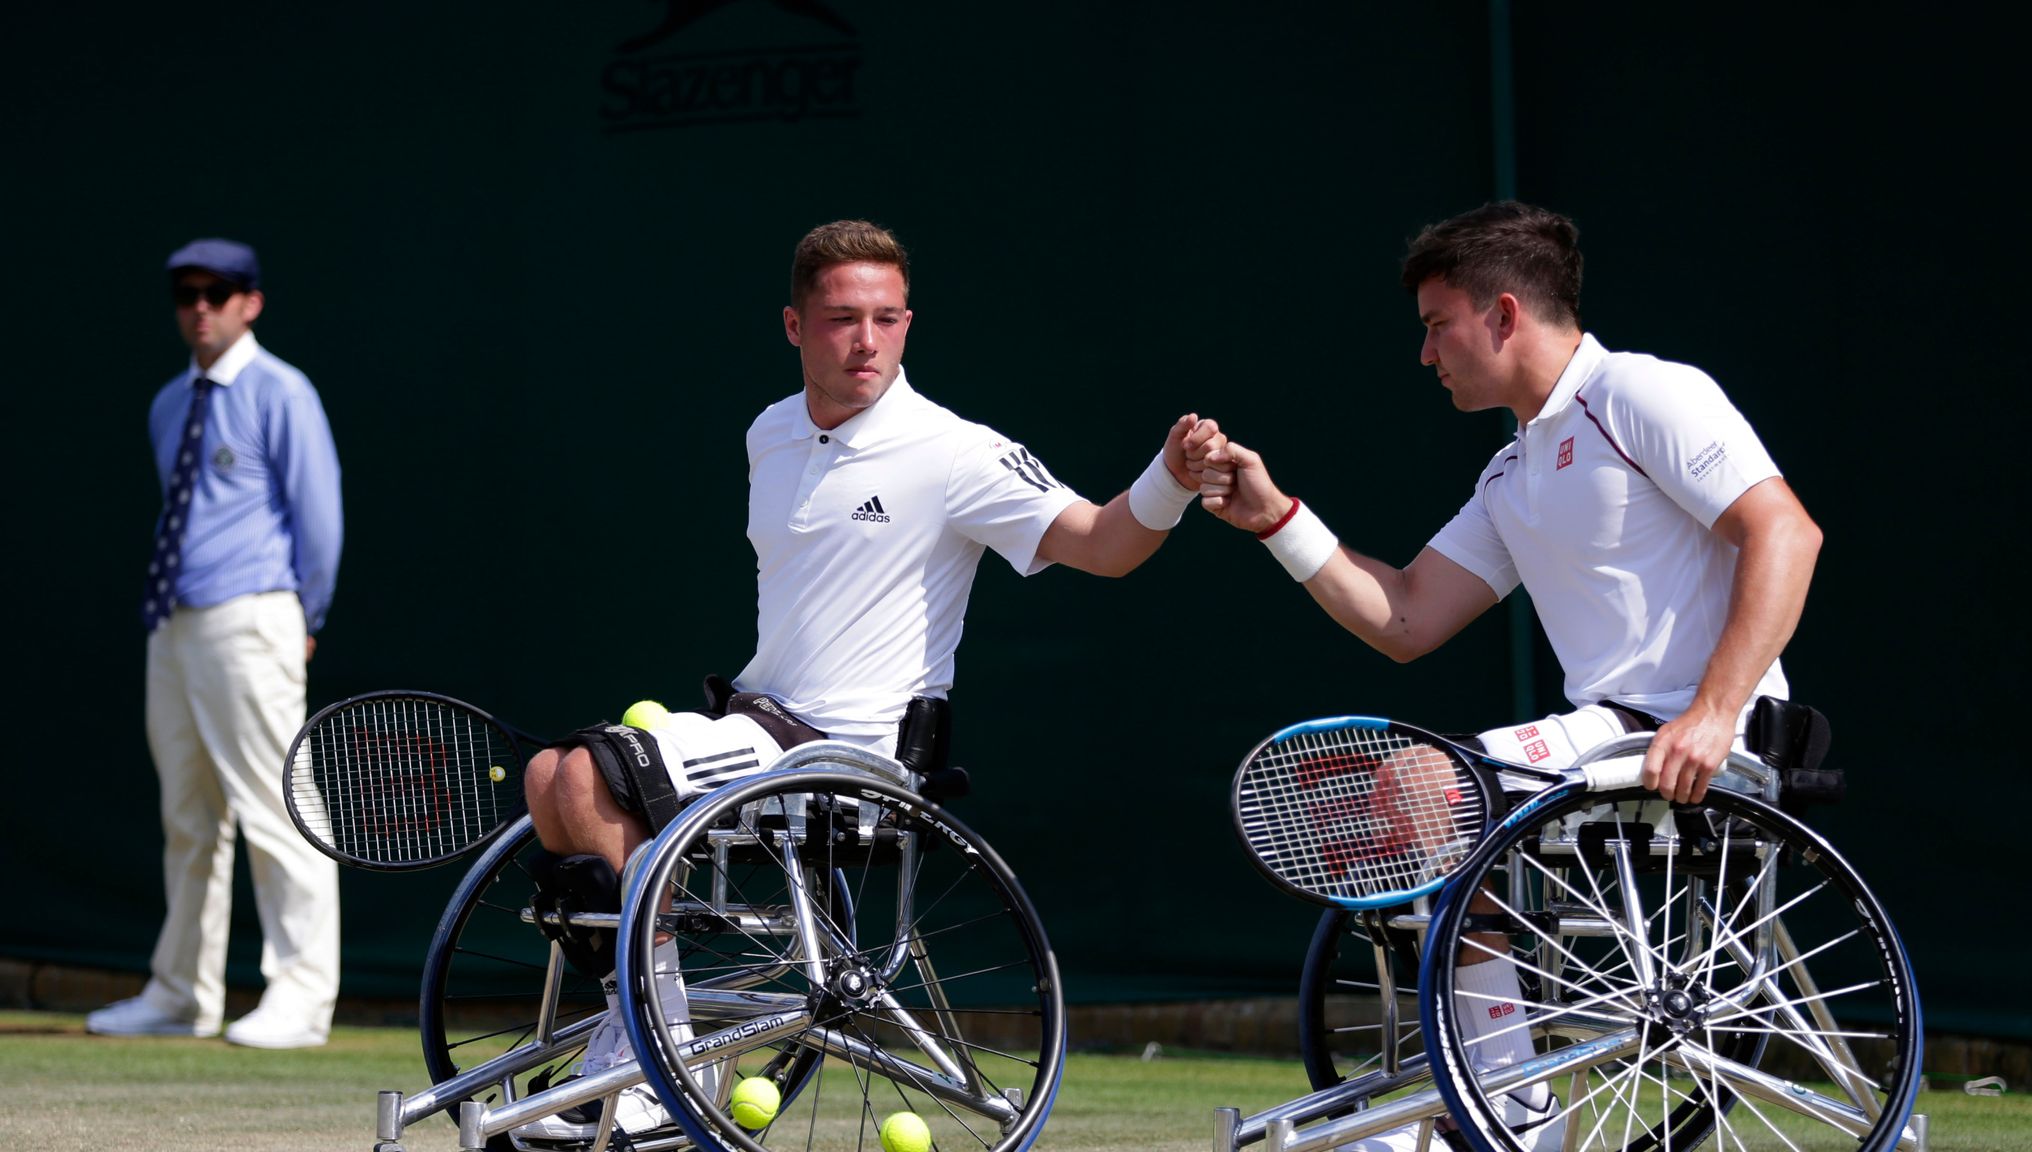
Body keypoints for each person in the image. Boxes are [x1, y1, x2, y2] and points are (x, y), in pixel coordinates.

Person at [513, 219, 1227, 1140]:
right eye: (843, 318)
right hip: (758, 724)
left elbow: (1104, 543)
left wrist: (1168, 480)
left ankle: (653, 1066)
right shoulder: (768, 433)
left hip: (853, 754)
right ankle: (654, 1032)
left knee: (581, 773)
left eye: (887, 319)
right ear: (793, 327)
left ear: (908, 323)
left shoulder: (954, 450)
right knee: (549, 779)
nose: (866, 341)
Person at [1198, 201, 1822, 1150]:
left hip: (1701, 736)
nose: (1425, 354)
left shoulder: (1645, 395)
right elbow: (1407, 615)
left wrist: (1712, 710)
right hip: (1616, 736)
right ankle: (1499, 1103)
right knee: (1417, 805)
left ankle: (1507, 1119)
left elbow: (1785, 530)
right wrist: (1278, 518)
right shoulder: (1515, 470)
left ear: (1502, 315)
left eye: (1435, 326)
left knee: (1421, 783)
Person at [87, 238, 345, 1051]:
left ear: (250, 301)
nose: (200, 305)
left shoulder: (283, 391)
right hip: (174, 624)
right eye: (186, 292)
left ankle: (301, 999)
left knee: (278, 807)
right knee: (187, 818)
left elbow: (320, 518)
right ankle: (180, 994)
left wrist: (306, 618)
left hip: (255, 618)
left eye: (219, 290)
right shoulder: (170, 403)